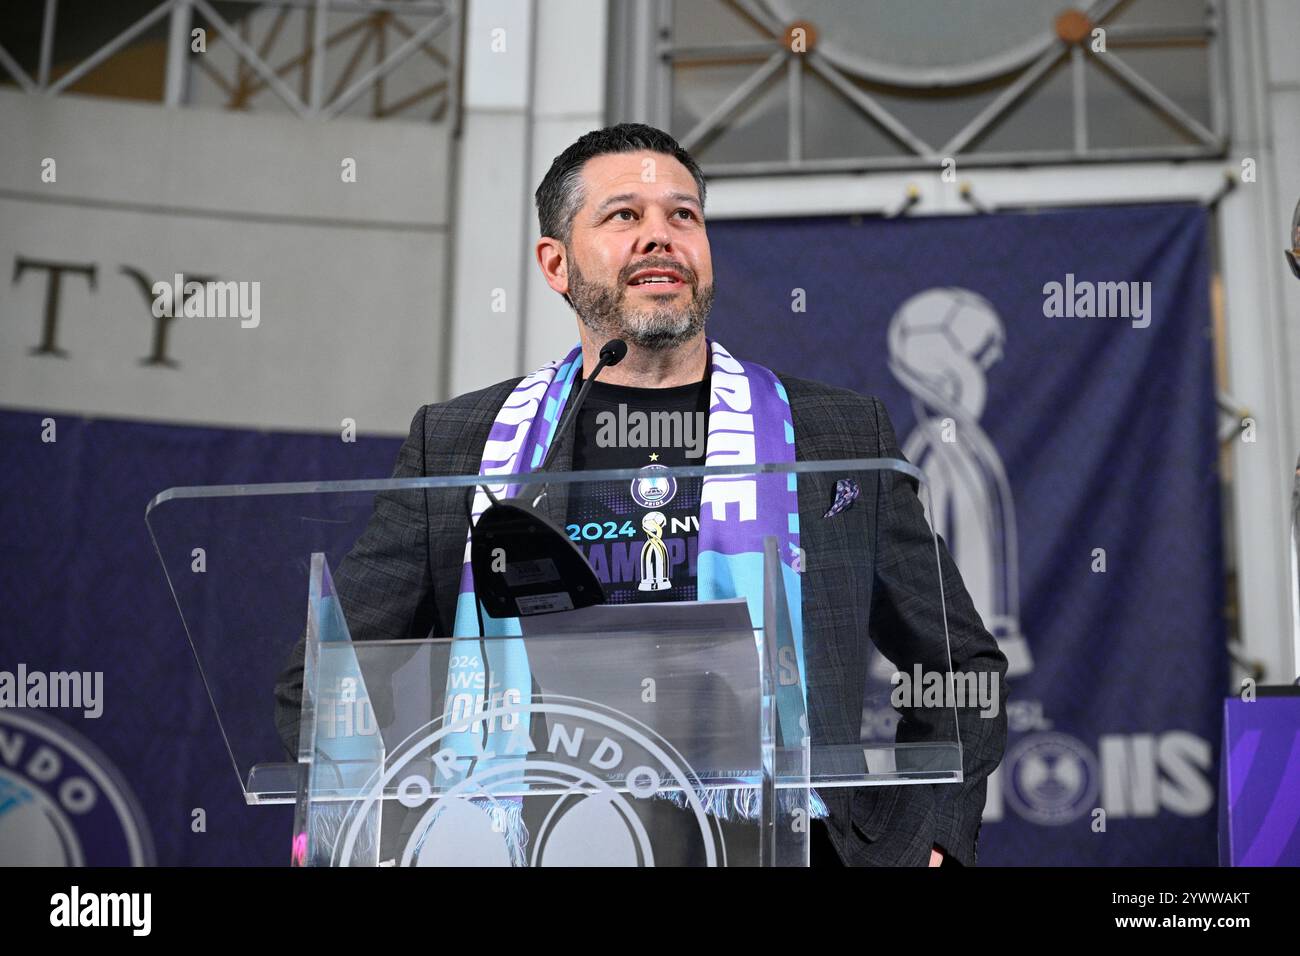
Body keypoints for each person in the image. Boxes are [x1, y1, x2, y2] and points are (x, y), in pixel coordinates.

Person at [275, 123, 1008, 867]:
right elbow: (327, 681)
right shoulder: (464, 443)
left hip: (777, 845)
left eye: (682, 215)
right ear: (556, 263)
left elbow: (958, 667)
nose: (660, 235)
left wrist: (927, 844)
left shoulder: (833, 435)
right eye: (624, 215)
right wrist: (385, 830)